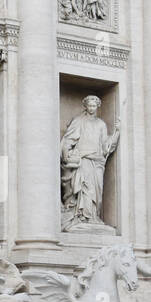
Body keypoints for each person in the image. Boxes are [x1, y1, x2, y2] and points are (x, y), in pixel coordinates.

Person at [61, 95, 120, 229]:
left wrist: (117, 132)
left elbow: (106, 146)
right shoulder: (78, 121)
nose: (92, 108)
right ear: (85, 106)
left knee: (96, 191)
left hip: (97, 161)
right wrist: (67, 153)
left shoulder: (101, 124)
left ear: (97, 106)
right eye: (90, 105)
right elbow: (68, 140)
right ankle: (82, 216)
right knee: (84, 189)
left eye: (94, 106)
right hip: (84, 160)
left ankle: (93, 216)